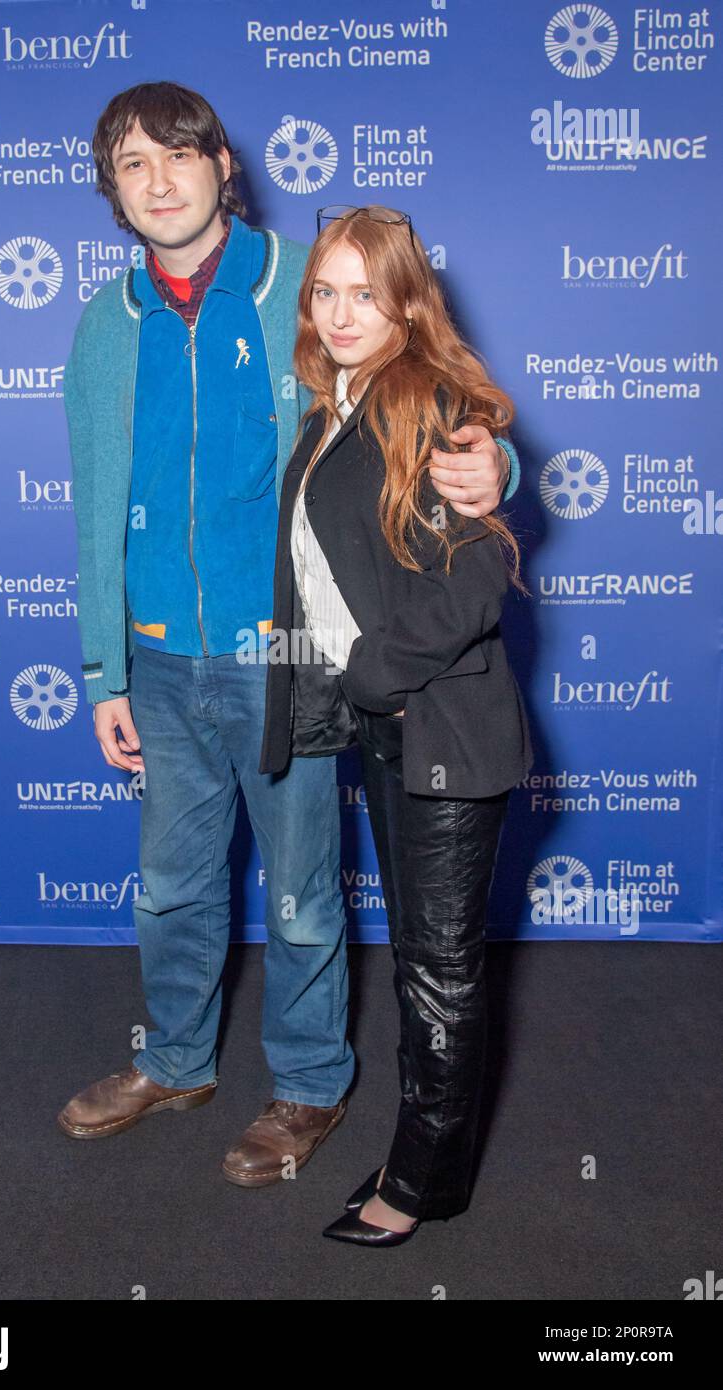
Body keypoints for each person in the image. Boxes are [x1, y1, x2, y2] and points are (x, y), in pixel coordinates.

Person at [59, 81, 522, 1188]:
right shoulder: (100, 324)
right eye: (132, 164)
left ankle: (308, 1084)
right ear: (113, 193)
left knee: (306, 890)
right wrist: (101, 670)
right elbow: (90, 504)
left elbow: (428, 393)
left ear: (224, 164)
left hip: (287, 660)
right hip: (160, 662)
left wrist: (491, 464)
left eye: (179, 153)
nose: (159, 178)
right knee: (169, 887)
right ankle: (173, 1060)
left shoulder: (300, 295)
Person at [259, 205, 534, 1244]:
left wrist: (369, 669)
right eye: (322, 291)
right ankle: (425, 1155)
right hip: (393, 727)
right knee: (425, 956)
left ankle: (417, 1186)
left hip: (443, 729)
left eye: (361, 292)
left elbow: (472, 583)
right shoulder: (337, 400)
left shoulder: (429, 400)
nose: (336, 311)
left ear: (404, 301)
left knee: (438, 968)